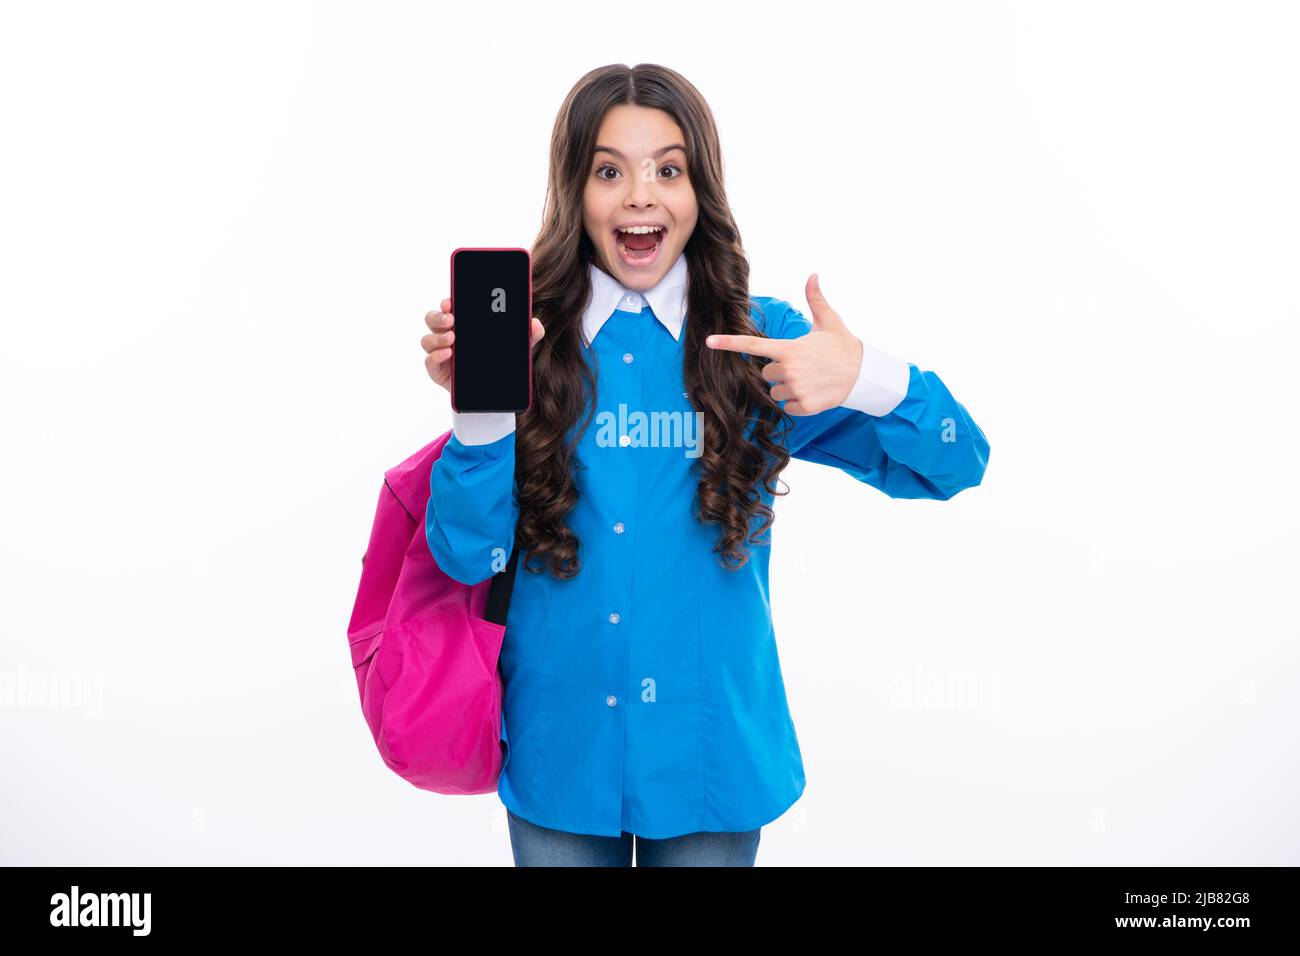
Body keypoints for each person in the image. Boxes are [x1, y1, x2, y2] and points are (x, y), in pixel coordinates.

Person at [419, 63, 990, 867]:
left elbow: (957, 461)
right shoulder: (528, 344)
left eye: (669, 168)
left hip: (711, 760)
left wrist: (864, 374)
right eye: (609, 170)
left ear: (700, 190)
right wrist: (480, 414)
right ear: (574, 191)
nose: (641, 195)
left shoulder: (762, 345)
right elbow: (466, 555)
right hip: (560, 755)